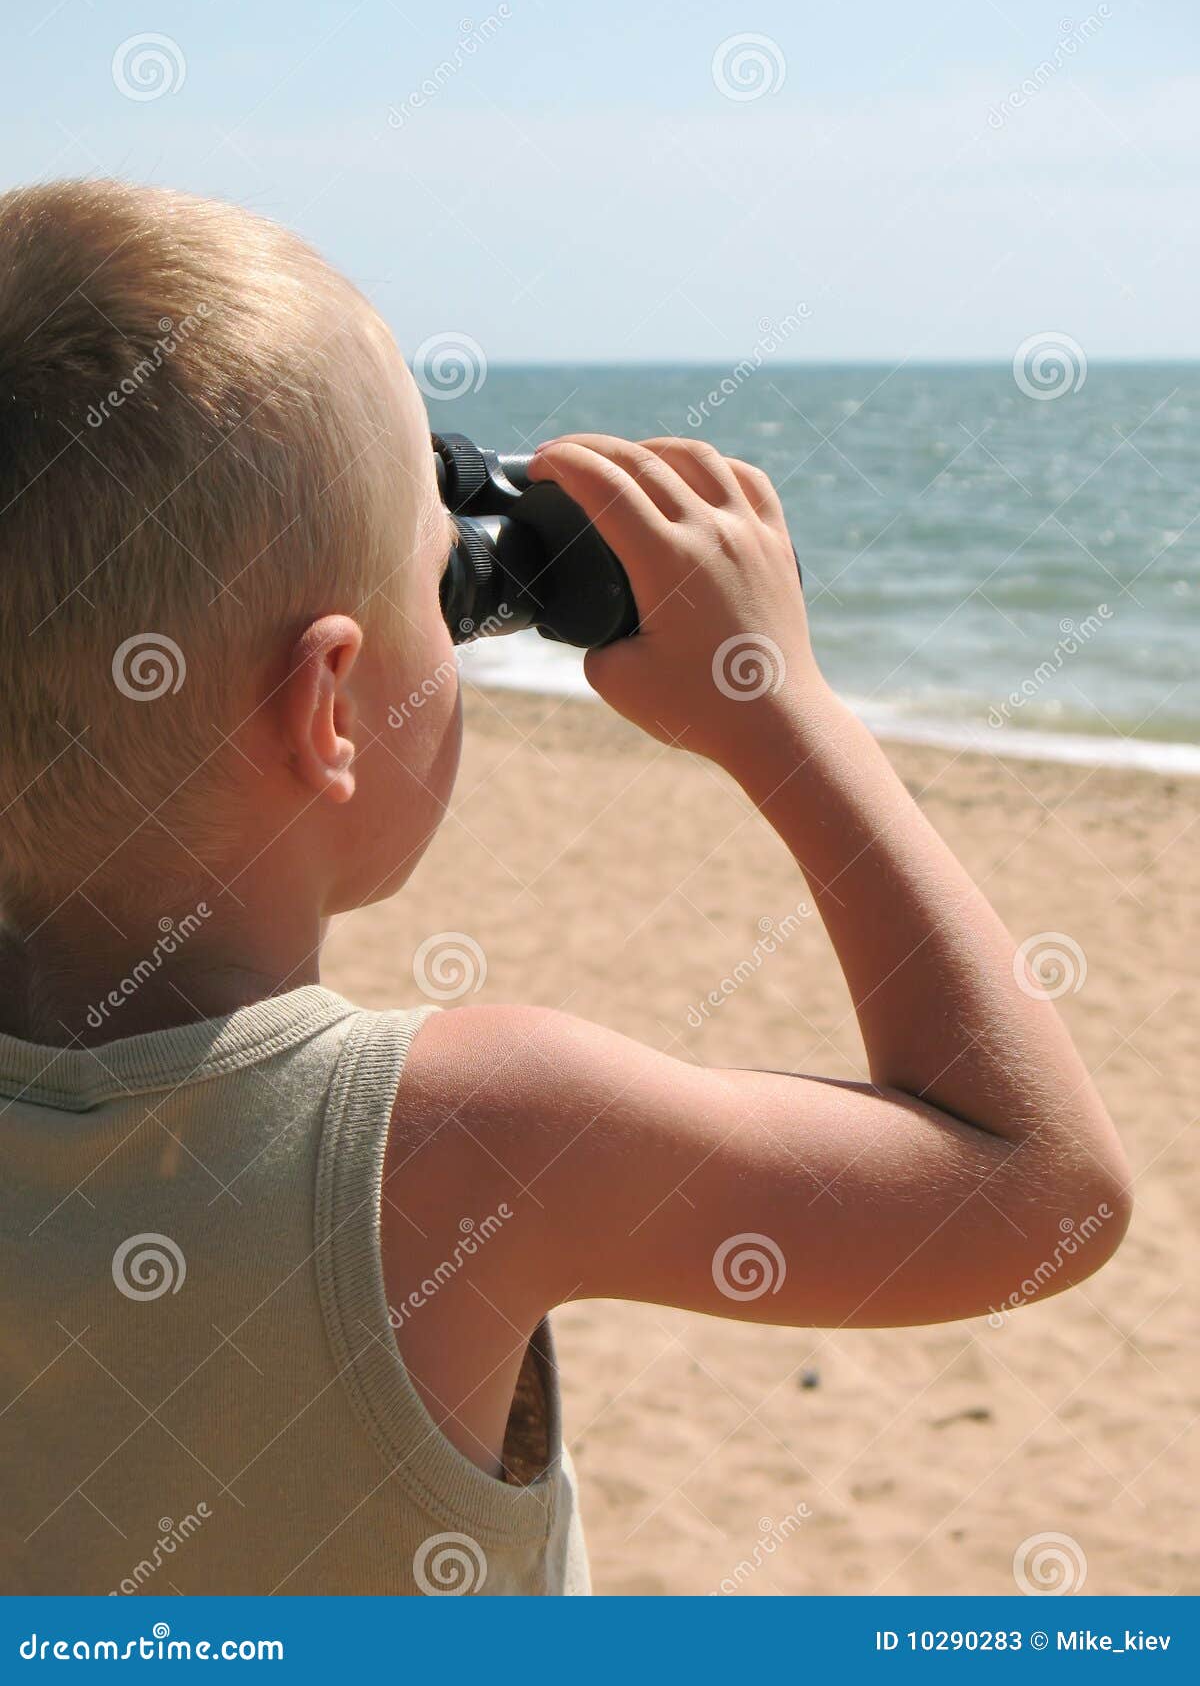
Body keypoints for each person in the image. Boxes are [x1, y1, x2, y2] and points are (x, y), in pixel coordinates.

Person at [0, 181, 1131, 1597]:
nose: (467, 615)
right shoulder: (469, 1137)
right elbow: (1045, 1192)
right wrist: (776, 702)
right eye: (448, 588)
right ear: (328, 706)